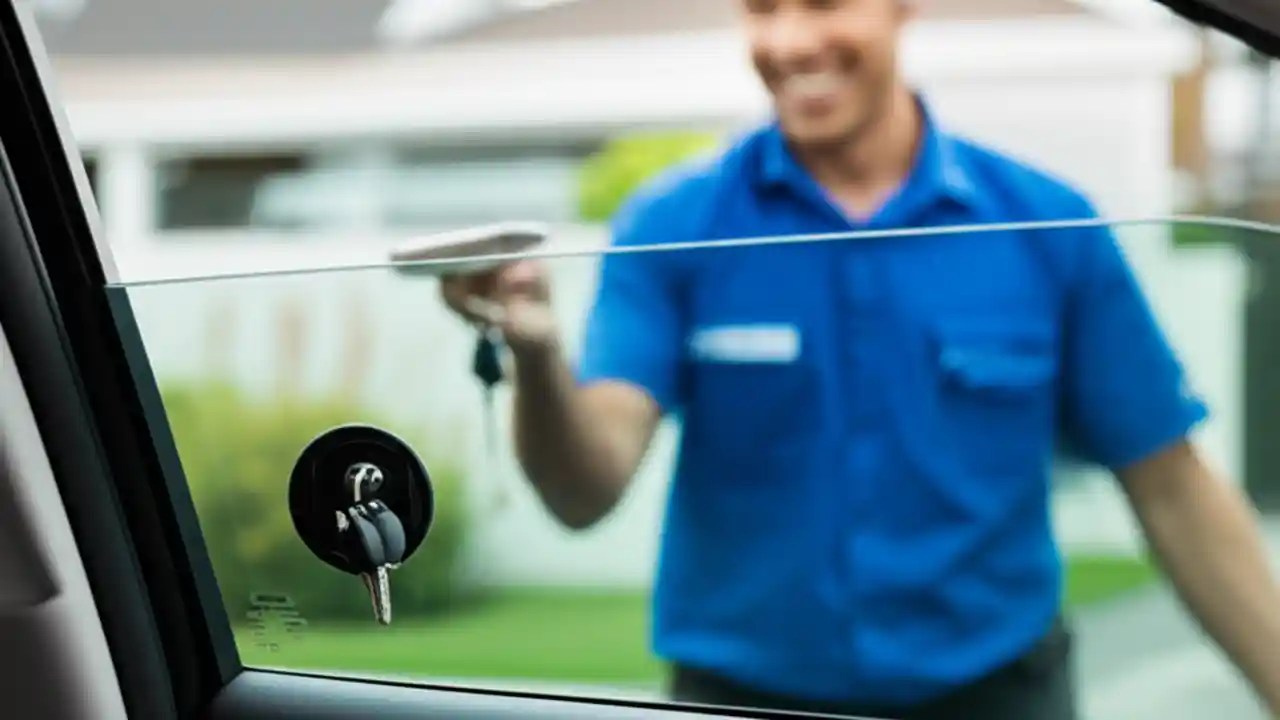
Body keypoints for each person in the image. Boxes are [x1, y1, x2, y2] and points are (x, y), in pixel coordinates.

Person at [441, 1, 1280, 717]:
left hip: (996, 697)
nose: (789, 42)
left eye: (824, 1)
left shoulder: (1045, 225)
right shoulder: (673, 225)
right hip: (742, 699)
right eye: (763, 7)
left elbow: (1172, 488)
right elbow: (586, 485)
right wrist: (539, 356)